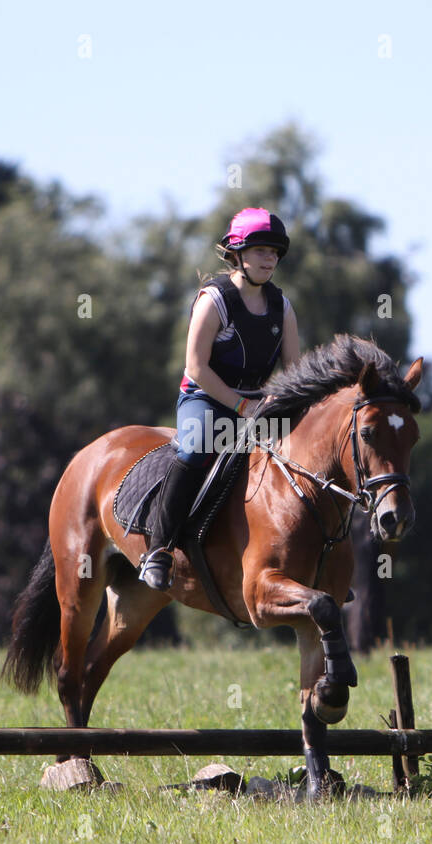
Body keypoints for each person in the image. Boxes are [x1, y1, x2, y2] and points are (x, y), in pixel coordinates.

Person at [138, 207, 302, 590]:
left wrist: (285, 407)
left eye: (275, 252)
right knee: (195, 449)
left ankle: (318, 558)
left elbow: (294, 371)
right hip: (206, 399)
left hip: (261, 405)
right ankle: (158, 552)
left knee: (308, 452)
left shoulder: (283, 306)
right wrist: (243, 407)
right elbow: (195, 367)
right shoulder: (214, 299)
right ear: (238, 254)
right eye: (261, 250)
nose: (270, 259)